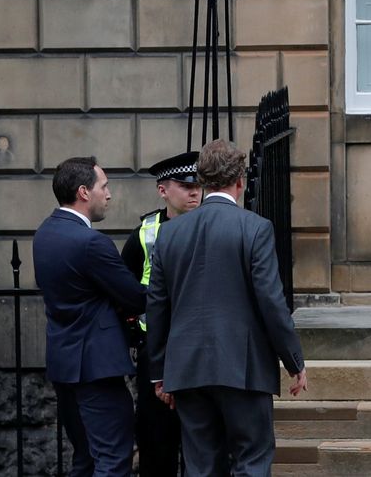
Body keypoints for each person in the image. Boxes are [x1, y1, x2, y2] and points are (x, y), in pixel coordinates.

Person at [144, 139, 307, 477]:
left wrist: (160, 372)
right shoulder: (255, 228)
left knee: (201, 465)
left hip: (187, 367)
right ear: (240, 182)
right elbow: (271, 302)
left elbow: (157, 306)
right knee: (251, 460)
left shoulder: (169, 233)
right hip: (243, 365)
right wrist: (293, 360)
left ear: (202, 182)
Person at [33, 156, 146, 477]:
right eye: (104, 186)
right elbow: (136, 297)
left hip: (65, 366)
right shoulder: (91, 242)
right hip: (97, 369)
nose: (108, 194)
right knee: (112, 458)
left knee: (85, 459)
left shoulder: (45, 234)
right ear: (84, 192)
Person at [119, 151, 202, 477]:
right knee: (157, 446)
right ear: (163, 190)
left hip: (199, 353)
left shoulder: (210, 224)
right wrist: (137, 335)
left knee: (201, 449)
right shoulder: (145, 234)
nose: (194, 192)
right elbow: (123, 294)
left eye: (198, 186)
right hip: (156, 356)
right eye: (185, 186)